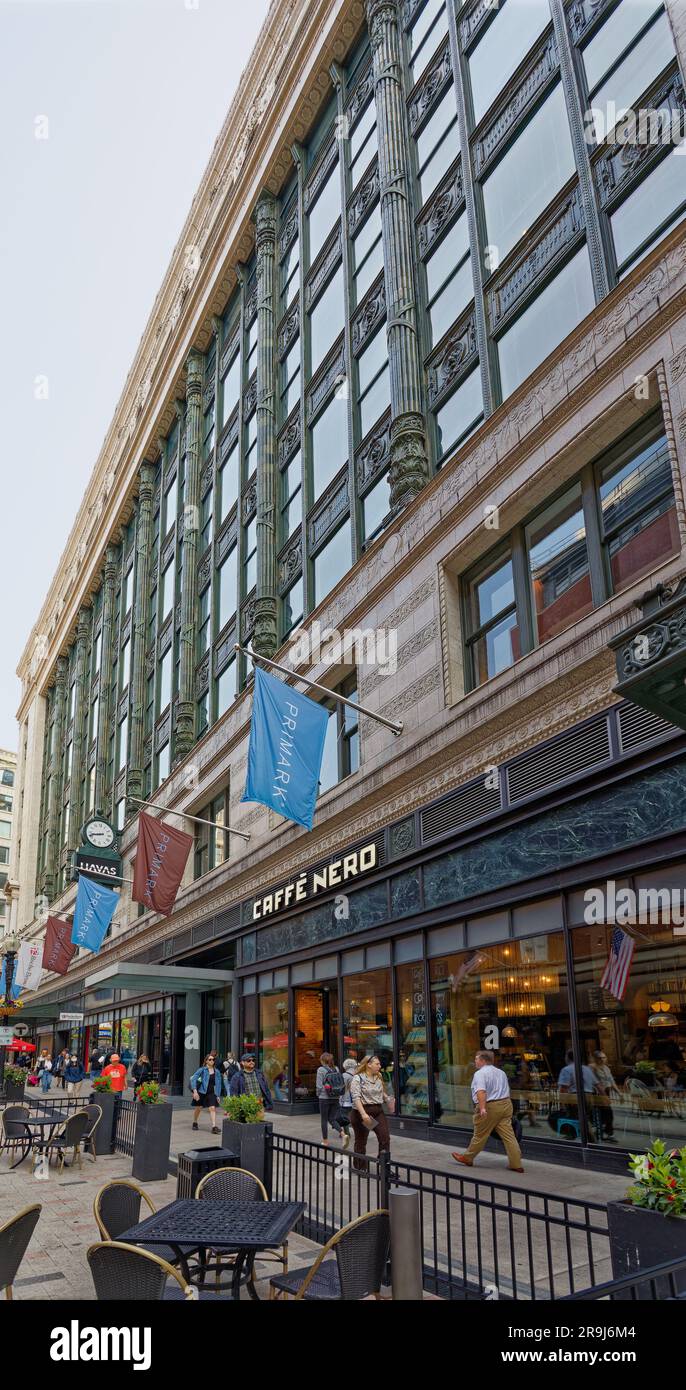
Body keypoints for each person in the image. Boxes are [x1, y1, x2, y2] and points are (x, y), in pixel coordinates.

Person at [452, 1050, 524, 1173]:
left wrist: (482, 1107)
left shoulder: (480, 1074)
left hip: (490, 1106)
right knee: (509, 1136)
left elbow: (481, 1091)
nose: (475, 1061)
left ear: (483, 1060)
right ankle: (516, 1164)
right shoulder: (501, 1072)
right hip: (506, 1104)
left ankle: (468, 1158)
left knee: (479, 1135)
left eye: (476, 1059)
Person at [349, 1055, 393, 1171]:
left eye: (379, 1064)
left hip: (377, 1111)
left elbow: (381, 1091)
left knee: (385, 1138)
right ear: (368, 1064)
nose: (380, 1066)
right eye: (377, 1064)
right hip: (362, 1112)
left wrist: (387, 1099)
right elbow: (356, 1098)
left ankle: (384, 1168)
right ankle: (360, 1167)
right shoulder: (358, 1078)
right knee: (361, 1140)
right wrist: (364, 1115)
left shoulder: (379, 1076)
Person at [315, 1052, 348, 1147]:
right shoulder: (336, 1068)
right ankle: (343, 1134)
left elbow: (319, 1085)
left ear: (323, 1060)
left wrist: (318, 1095)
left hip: (324, 1098)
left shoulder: (321, 1069)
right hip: (335, 1097)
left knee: (324, 1120)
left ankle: (325, 1141)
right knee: (332, 1119)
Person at [190, 1054, 225, 1133]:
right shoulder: (202, 1070)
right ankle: (195, 1122)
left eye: (213, 1059)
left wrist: (218, 1095)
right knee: (198, 1108)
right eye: (210, 1059)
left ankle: (214, 1127)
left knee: (212, 1108)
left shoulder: (217, 1071)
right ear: (206, 1061)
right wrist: (195, 1091)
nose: (212, 1061)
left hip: (211, 1093)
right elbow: (193, 1079)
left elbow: (218, 1084)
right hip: (201, 1092)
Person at [590, 1050, 618, 1141]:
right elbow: (595, 1083)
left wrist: (619, 1093)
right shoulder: (592, 1068)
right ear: (595, 1059)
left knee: (606, 1113)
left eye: (604, 1057)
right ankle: (607, 1133)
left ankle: (603, 1132)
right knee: (606, 1113)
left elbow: (611, 1081)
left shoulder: (606, 1068)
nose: (602, 1059)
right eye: (600, 1058)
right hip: (599, 1093)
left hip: (607, 1092)